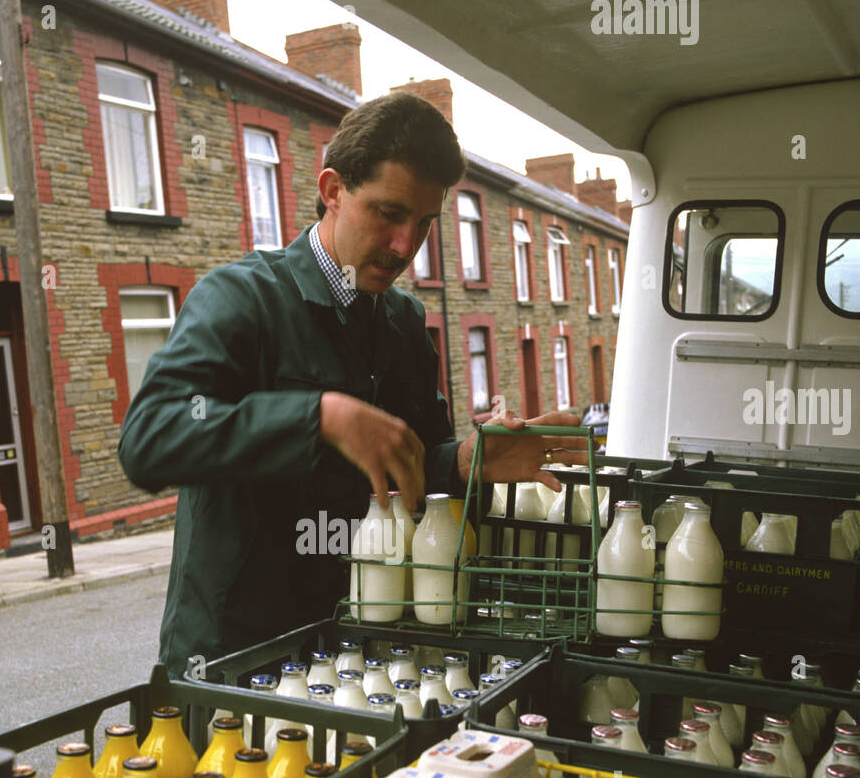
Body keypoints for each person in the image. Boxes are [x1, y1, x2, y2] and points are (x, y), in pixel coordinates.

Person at [118, 91, 582, 680]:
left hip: (369, 658)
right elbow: (150, 439)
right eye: (388, 213)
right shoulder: (242, 299)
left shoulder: (406, 324)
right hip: (239, 665)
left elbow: (417, 477)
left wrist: (467, 461)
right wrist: (319, 417)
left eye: (423, 224)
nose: (403, 246)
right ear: (333, 190)